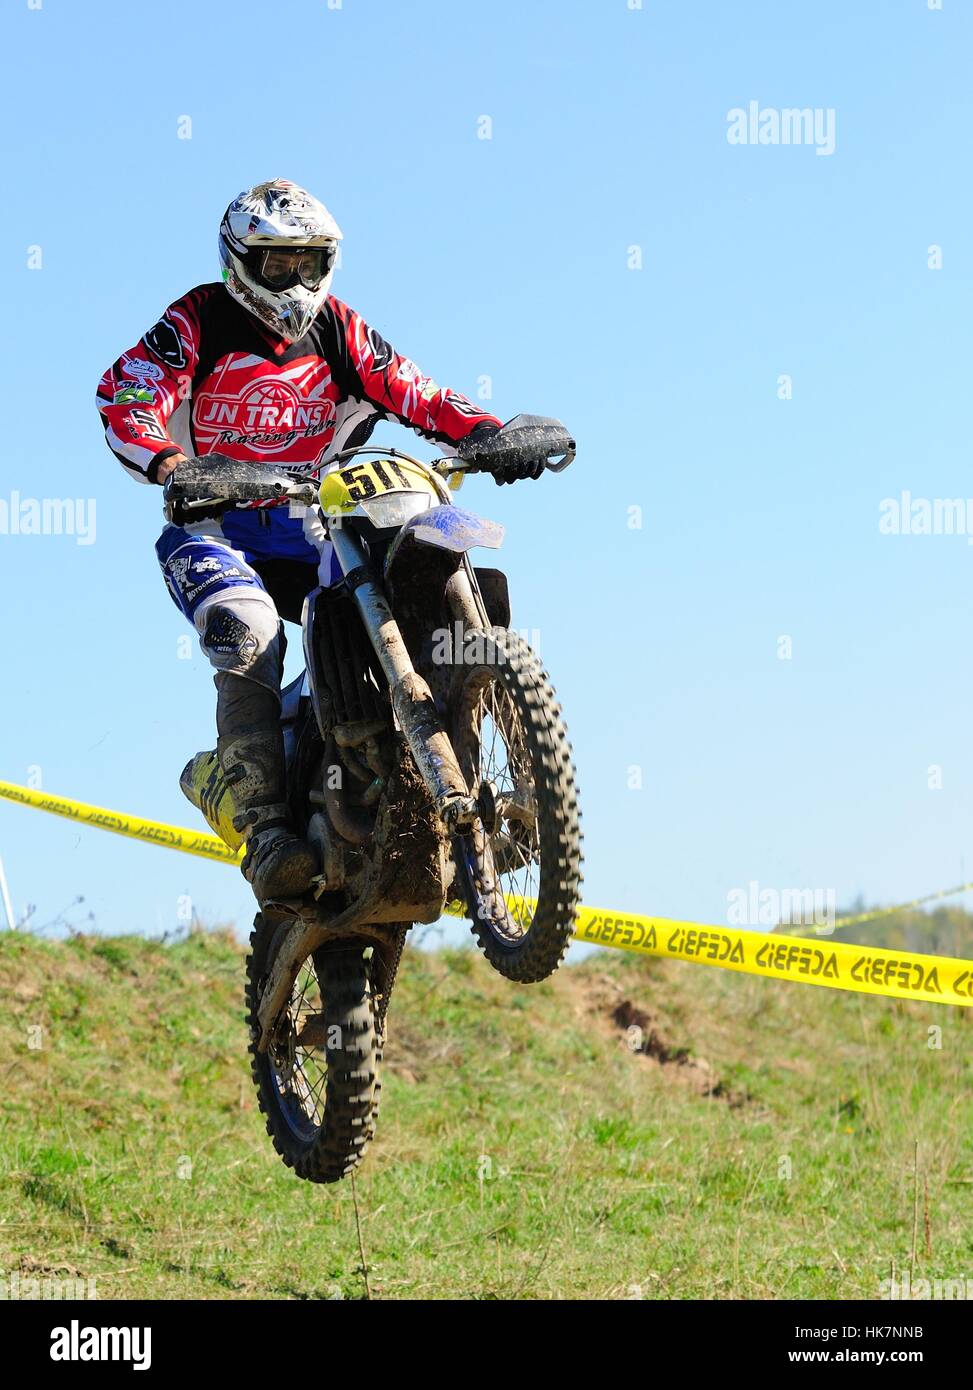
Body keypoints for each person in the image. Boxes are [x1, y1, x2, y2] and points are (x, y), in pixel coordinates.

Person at [97, 179, 543, 901]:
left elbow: (414, 391)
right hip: (213, 523)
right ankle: (265, 826)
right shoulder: (197, 320)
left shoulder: (336, 326)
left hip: (314, 516)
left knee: (412, 568)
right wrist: (171, 464)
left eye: (311, 262)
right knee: (248, 629)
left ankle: (471, 793)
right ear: (239, 260)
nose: (296, 281)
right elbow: (126, 394)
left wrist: (493, 434)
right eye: (279, 265)